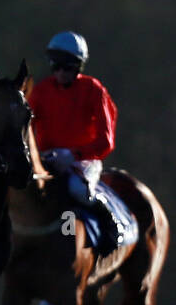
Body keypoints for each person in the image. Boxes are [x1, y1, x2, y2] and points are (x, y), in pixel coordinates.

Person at [28, 31, 124, 254]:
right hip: (47, 159)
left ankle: (110, 225)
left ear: (78, 66)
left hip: (83, 162)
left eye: (67, 67)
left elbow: (106, 141)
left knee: (78, 190)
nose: (60, 72)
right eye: (56, 66)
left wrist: (73, 155)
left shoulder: (94, 90)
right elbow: (27, 127)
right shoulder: (41, 91)